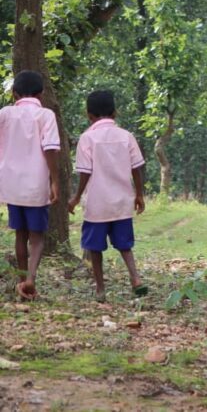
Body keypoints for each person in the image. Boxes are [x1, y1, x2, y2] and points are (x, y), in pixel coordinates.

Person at [67, 91, 148, 301]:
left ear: (89, 115)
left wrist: (76, 197)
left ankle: (100, 289)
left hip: (97, 204)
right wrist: (139, 194)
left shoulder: (87, 138)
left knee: (94, 248)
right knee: (124, 245)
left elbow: (85, 172)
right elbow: (137, 168)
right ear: (115, 113)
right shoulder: (126, 136)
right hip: (122, 202)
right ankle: (135, 278)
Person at [0, 70, 61, 300]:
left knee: (20, 234)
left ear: (14, 93)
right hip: (36, 184)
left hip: (11, 184)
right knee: (37, 237)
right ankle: (31, 279)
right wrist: (55, 180)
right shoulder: (45, 115)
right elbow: (50, 148)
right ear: (41, 94)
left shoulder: (5, 113)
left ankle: (20, 280)